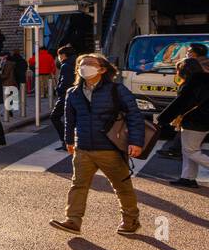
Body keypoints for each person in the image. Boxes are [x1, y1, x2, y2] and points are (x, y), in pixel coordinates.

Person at [50, 54, 144, 235]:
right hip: (83, 147)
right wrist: (69, 140)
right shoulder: (73, 93)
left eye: (90, 64)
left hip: (110, 148)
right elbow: (70, 119)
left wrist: (136, 142)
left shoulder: (117, 90)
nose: (85, 67)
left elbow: (134, 116)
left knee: (122, 186)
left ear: (102, 69)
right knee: (78, 185)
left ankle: (131, 220)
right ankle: (73, 220)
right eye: (82, 65)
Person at [156, 56, 209, 188]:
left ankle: (188, 178)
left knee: (191, 151)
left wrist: (162, 119)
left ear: (184, 71)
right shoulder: (208, 80)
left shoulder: (193, 83)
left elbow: (180, 104)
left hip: (196, 120)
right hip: (206, 120)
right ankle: (187, 178)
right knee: (189, 149)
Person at [50, 45, 76, 150]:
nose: (58, 58)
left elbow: (65, 82)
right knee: (71, 118)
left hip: (65, 95)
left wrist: (58, 90)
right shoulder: (75, 63)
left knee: (54, 116)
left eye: (59, 55)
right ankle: (71, 141)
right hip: (74, 94)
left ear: (64, 55)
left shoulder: (66, 65)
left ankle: (65, 141)